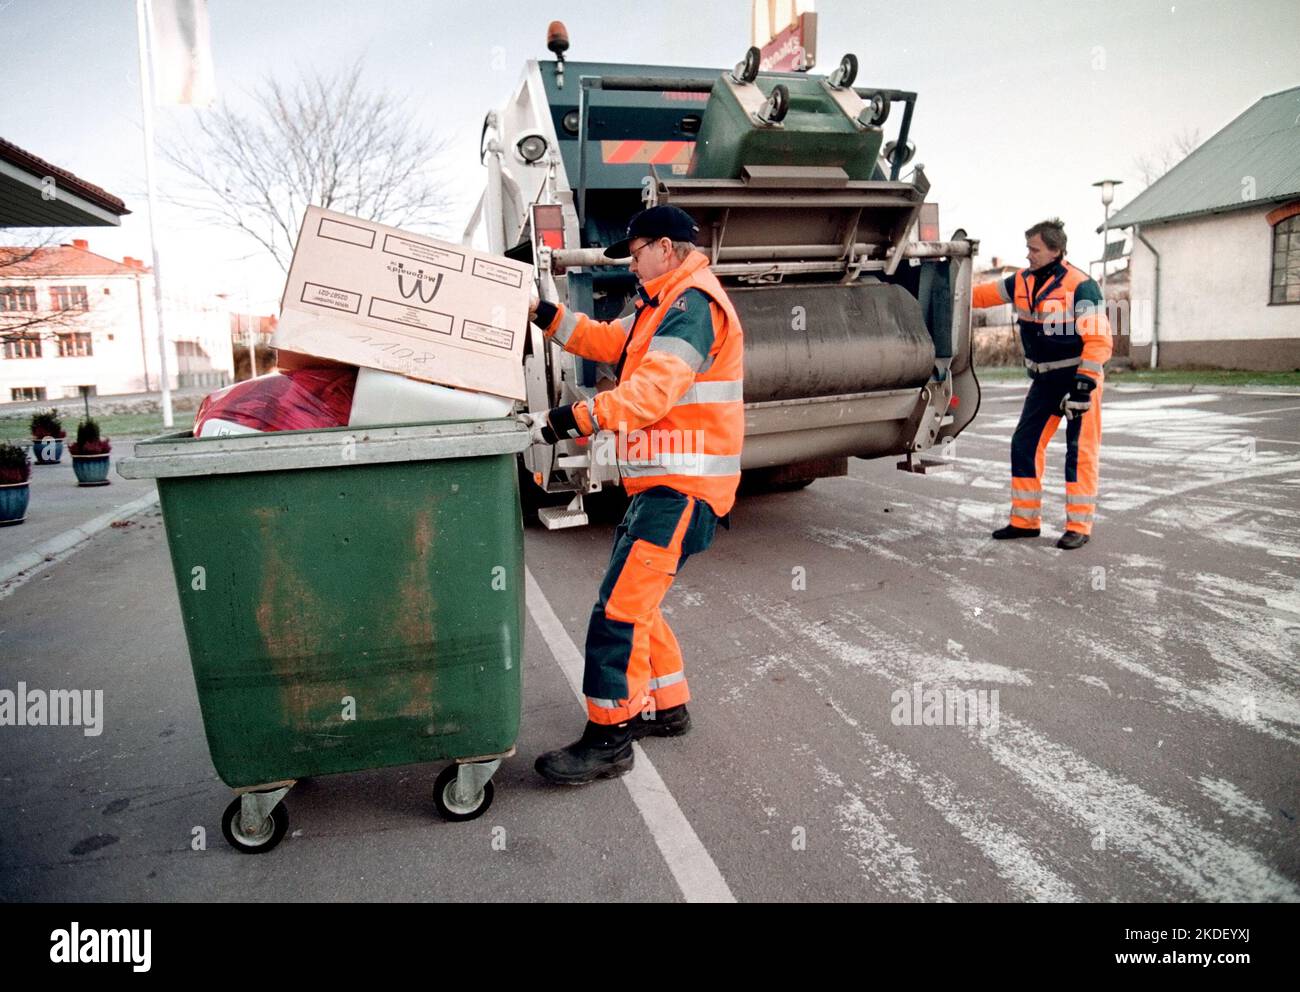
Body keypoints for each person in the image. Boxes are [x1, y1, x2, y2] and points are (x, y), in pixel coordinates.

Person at [523, 205, 745, 784]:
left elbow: (649, 396)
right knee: (637, 603)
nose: (633, 265)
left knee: (618, 610)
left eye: (638, 253)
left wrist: (570, 419)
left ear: (665, 249)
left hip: (684, 489)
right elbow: (601, 339)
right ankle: (667, 708)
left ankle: (609, 738)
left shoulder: (691, 307)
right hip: (663, 486)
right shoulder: (660, 305)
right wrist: (542, 313)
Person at [971, 218, 1112, 550]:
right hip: (1045, 381)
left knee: (1079, 452)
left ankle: (1079, 526)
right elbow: (978, 296)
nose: (1028, 255)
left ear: (1055, 250)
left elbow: (1100, 340)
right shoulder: (1020, 281)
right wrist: (946, 282)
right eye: (1027, 248)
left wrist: (1083, 384)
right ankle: (1024, 521)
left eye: (1034, 249)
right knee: (1024, 443)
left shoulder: (1081, 285)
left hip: (1078, 379)